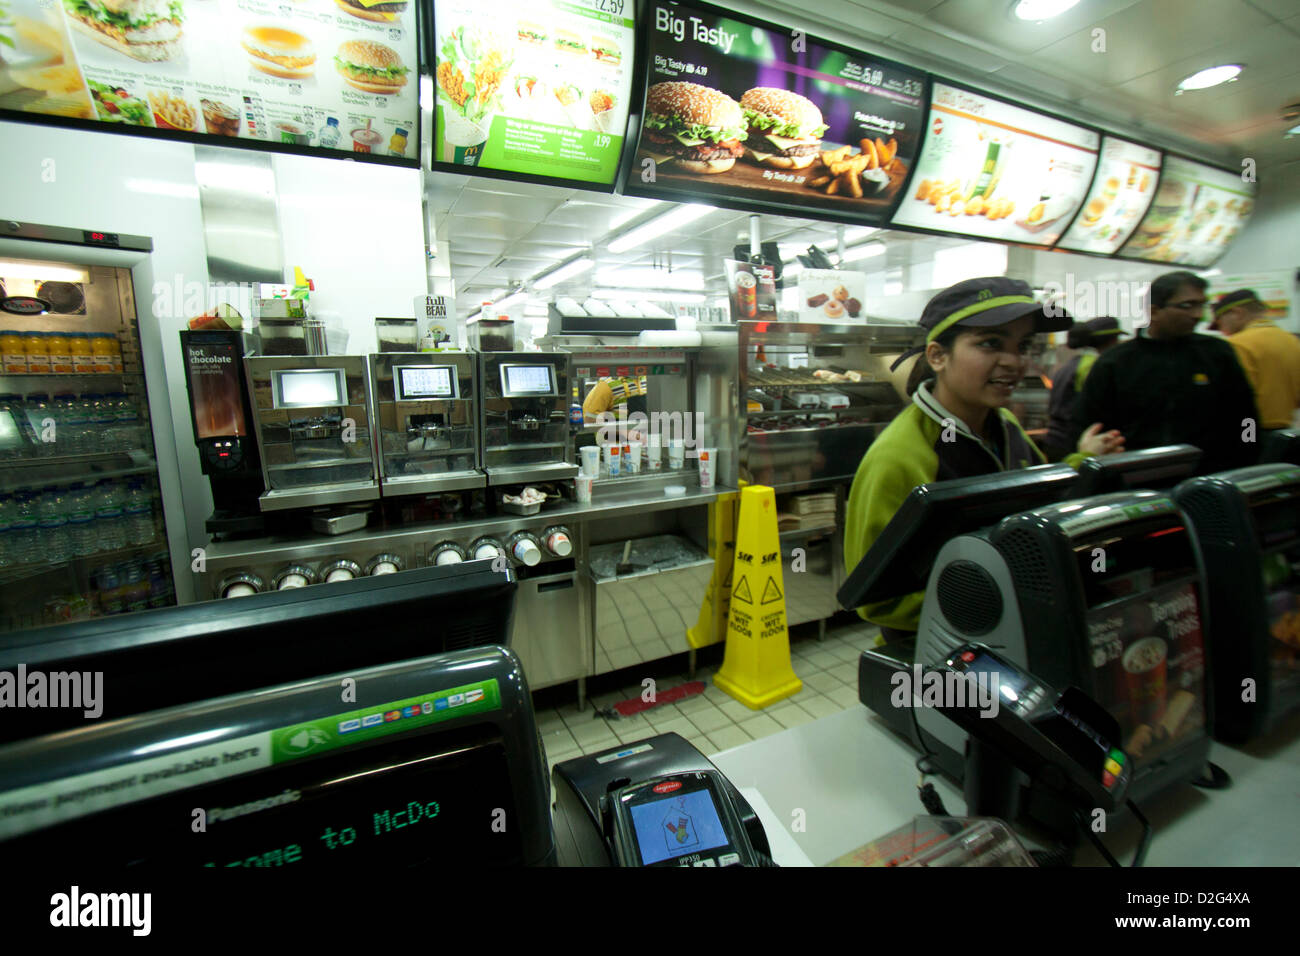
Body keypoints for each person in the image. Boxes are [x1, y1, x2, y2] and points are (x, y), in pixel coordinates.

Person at [844, 277, 1124, 643]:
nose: (1013, 361)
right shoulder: (901, 457)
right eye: (990, 344)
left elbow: (1038, 492)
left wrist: (1083, 461)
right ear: (938, 356)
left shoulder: (1005, 425)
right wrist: (1007, 601)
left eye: (1022, 346)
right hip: (936, 655)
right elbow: (879, 600)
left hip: (1010, 638)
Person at [1073, 271, 1260, 475]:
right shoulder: (1116, 362)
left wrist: (1248, 456)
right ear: (1154, 311)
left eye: (1201, 305)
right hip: (1134, 481)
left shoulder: (1217, 353)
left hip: (1206, 479)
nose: (1198, 315)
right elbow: (1087, 424)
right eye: (1187, 305)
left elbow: (1246, 416)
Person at [1213, 289, 1300, 431]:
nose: (1221, 330)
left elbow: (1238, 400)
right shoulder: (1291, 341)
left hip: (1251, 428)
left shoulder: (1238, 344)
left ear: (1237, 313)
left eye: (1219, 322)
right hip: (1288, 430)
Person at [1042, 316, 1124, 462]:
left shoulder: (1067, 366)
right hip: (1074, 444)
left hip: (1054, 439)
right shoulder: (1093, 367)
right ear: (1111, 341)